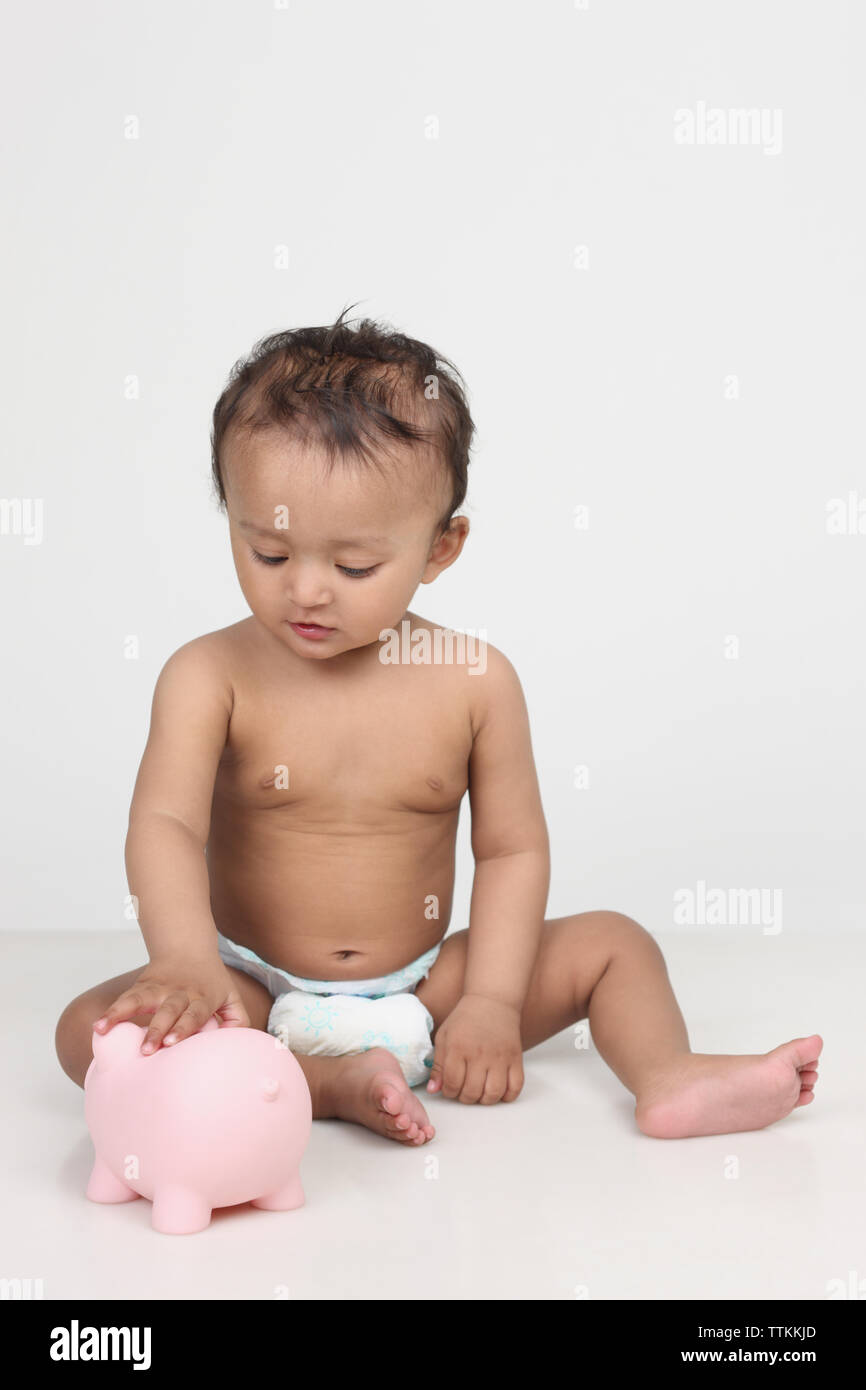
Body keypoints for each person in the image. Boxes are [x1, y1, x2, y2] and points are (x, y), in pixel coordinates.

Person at [55, 306, 822, 1145]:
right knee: (86, 1029)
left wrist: (490, 1001)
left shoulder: (475, 682)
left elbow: (511, 850)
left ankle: (667, 1076)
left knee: (615, 945)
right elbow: (163, 825)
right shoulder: (208, 675)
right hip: (252, 989)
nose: (305, 591)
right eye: (268, 554)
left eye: (353, 565)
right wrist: (187, 963)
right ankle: (324, 1083)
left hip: (432, 992)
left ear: (439, 548)